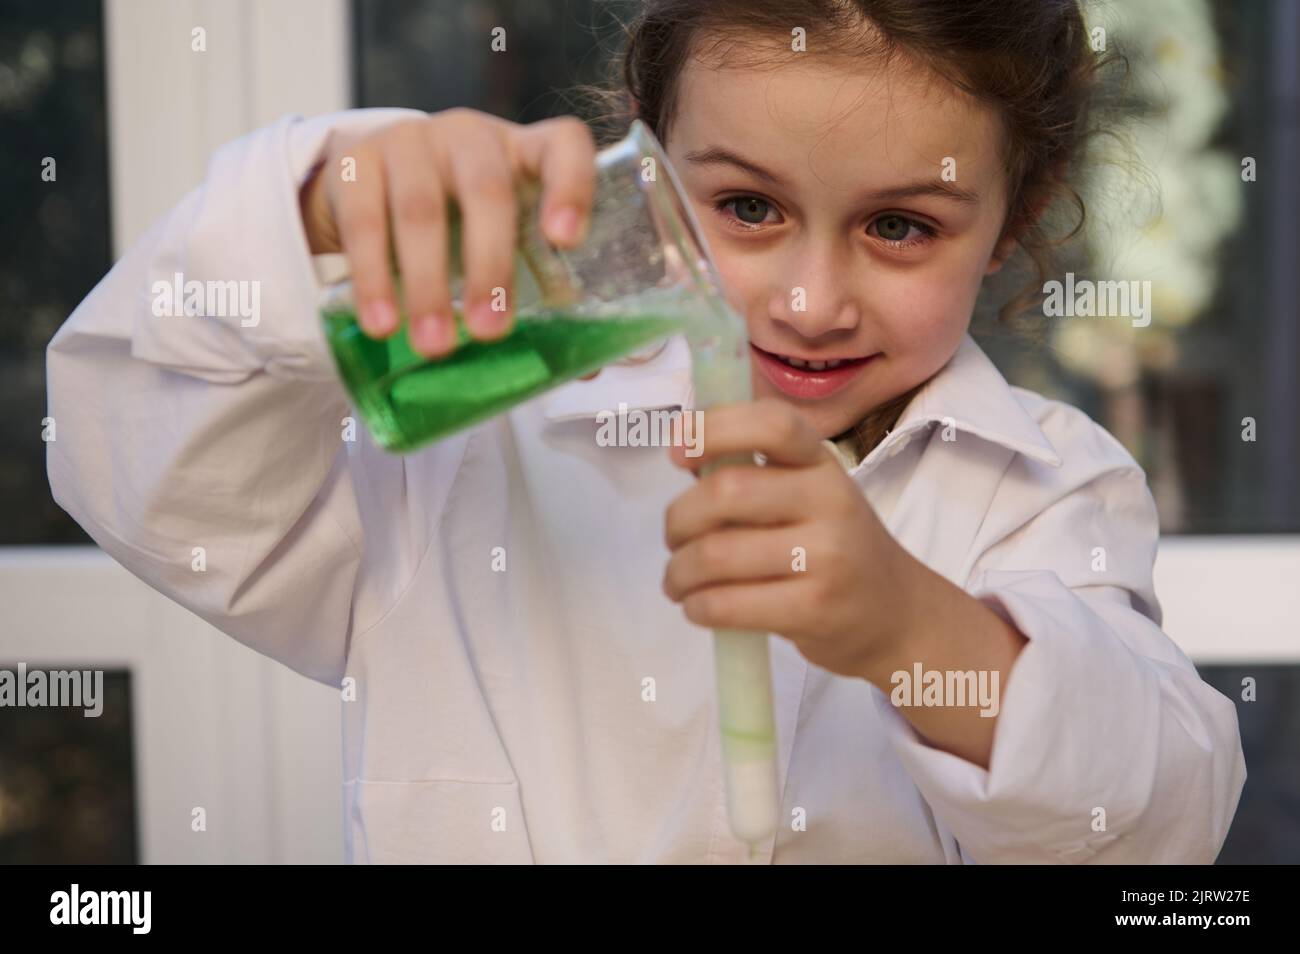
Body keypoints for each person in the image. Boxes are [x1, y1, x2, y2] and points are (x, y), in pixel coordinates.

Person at [46, 0, 1245, 863]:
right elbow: (137, 464)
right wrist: (311, 203)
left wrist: (910, 624)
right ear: (646, 159)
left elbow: (1158, 819)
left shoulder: (1043, 492)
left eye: (899, 228)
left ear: (1013, 217)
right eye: (744, 207)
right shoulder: (480, 436)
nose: (807, 300)